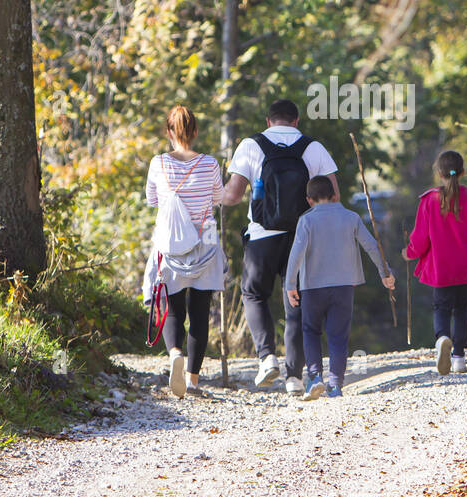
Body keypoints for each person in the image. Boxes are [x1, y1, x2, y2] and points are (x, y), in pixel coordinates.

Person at [222, 99, 340, 394]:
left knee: (253, 293)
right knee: (297, 305)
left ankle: (266, 357)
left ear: (268, 120)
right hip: (303, 236)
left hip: (262, 235)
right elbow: (334, 196)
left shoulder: (251, 145)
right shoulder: (313, 147)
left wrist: (205, 197)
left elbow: (234, 195)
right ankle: (294, 378)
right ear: (296, 121)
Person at [285, 177, 395, 399]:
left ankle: (315, 377)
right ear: (335, 195)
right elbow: (372, 246)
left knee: (310, 331)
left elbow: (296, 254)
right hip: (344, 286)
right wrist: (385, 272)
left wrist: (290, 284)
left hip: (312, 287)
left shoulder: (306, 221)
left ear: (309, 200)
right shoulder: (351, 218)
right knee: (338, 335)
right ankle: (335, 384)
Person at [144, 105, 226, 399]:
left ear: (169, 132)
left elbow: (152, 200)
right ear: (195, 132)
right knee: (200, 312)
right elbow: (218, 198)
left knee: (174, 308)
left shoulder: (158, 163)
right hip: (204, 243)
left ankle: (174, 353)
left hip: (171, 244)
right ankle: (192, 381)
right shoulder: (210, 164)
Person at [403, 150, 467, 375]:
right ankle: (459, 358)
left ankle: (442, 337)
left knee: (441, 307)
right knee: (462, 309)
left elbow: (420, 238)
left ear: (438, 173)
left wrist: (409, 252)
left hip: (440, 267)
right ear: (463, 171)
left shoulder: (428, 200)